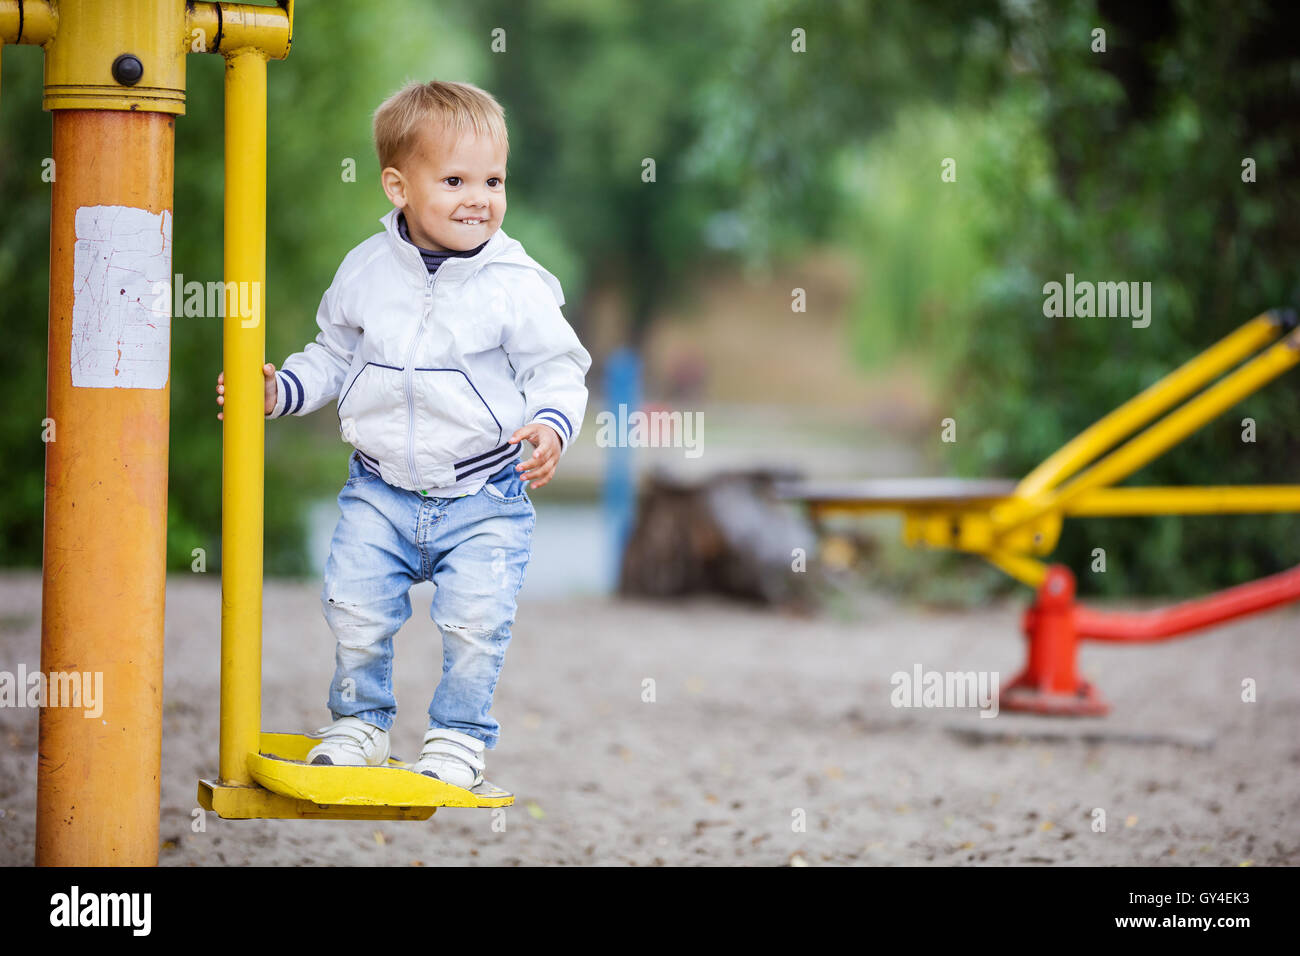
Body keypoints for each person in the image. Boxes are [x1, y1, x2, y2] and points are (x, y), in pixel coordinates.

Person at [214, 79, 591, 789]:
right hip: (379, 486)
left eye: (493, 180)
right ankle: (358, 724)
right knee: (354, 609)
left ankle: (456, 737)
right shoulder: (365, 271)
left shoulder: (516, 282)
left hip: (484, 493)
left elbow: (557, 368)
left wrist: (549, 424)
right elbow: (331, 354)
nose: (479, 197)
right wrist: (279, 391)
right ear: (397, 186)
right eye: (454, 180)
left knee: (476, 625)